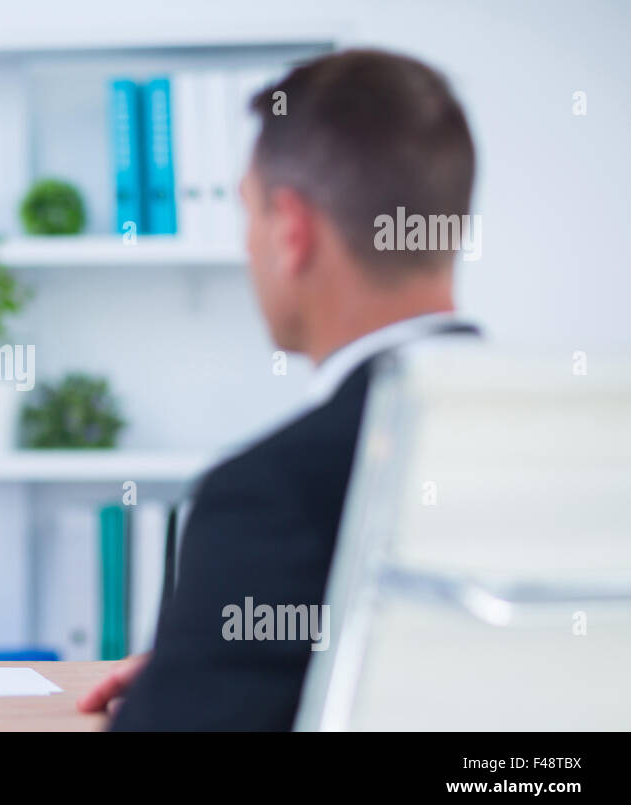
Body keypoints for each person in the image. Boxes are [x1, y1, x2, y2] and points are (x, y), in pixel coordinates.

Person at [78, 49, 481, 729]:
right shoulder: (578, 450)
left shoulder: (271, 494)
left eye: (249, 215)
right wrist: (209, 658)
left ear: (291, 231)